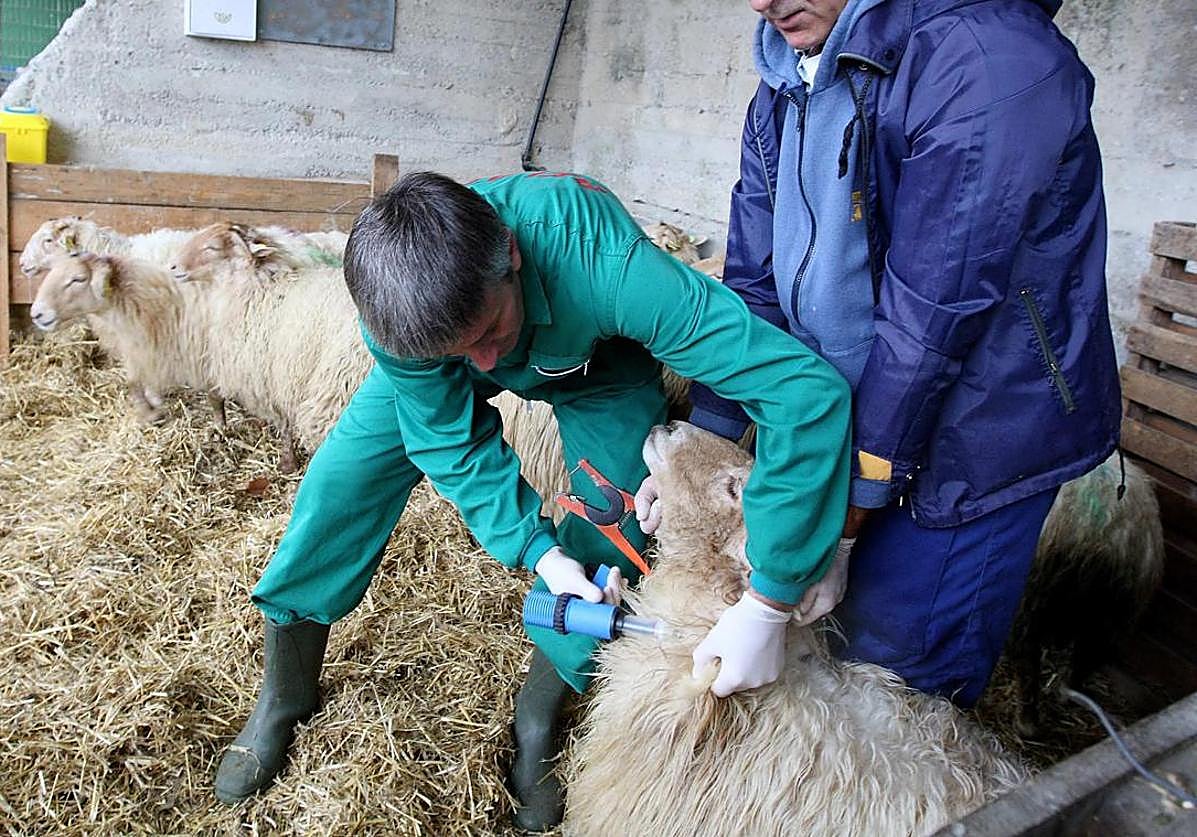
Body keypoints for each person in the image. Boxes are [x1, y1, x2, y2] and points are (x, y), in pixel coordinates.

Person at [212, 170, 852, 829]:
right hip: (438, 361)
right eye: (467, 347)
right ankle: (282, 697)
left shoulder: (608, 265)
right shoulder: (403, 320)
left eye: (490, 330)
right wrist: (537, 551)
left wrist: (772, 594)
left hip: (592, 369)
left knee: (621, 520)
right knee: (336, 490)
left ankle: (538, 718)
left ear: (512, 255)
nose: (489, 364)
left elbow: (800, 393)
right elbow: (448, 437)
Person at [667, 0, 1121, 708]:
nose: (761, 0)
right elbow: (754, 272)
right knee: (827, 645)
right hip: (857, 413)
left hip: (977, 436)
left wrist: (844, 526)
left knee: (892, 686)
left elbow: (933, 316)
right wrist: (706, 435)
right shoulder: (789, 72)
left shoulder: (984, 59)